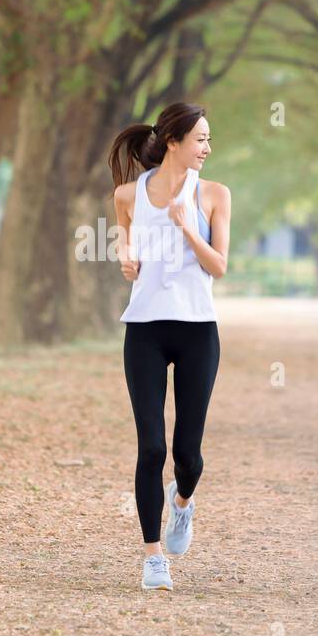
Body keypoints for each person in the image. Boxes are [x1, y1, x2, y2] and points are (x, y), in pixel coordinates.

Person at [108, 103, 231, 591]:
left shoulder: (215, 194)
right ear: (174, 141)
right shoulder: (127, 193)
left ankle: (182, 504)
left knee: (188, 452)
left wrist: (185, 225)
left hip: (198, 328)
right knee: (151, 446)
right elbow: (124, 235)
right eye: (200, 138)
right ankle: (152, 557)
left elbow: (218, 266)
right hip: (144, 328)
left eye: (209, 138)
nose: (207, 147)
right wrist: (124, 255)